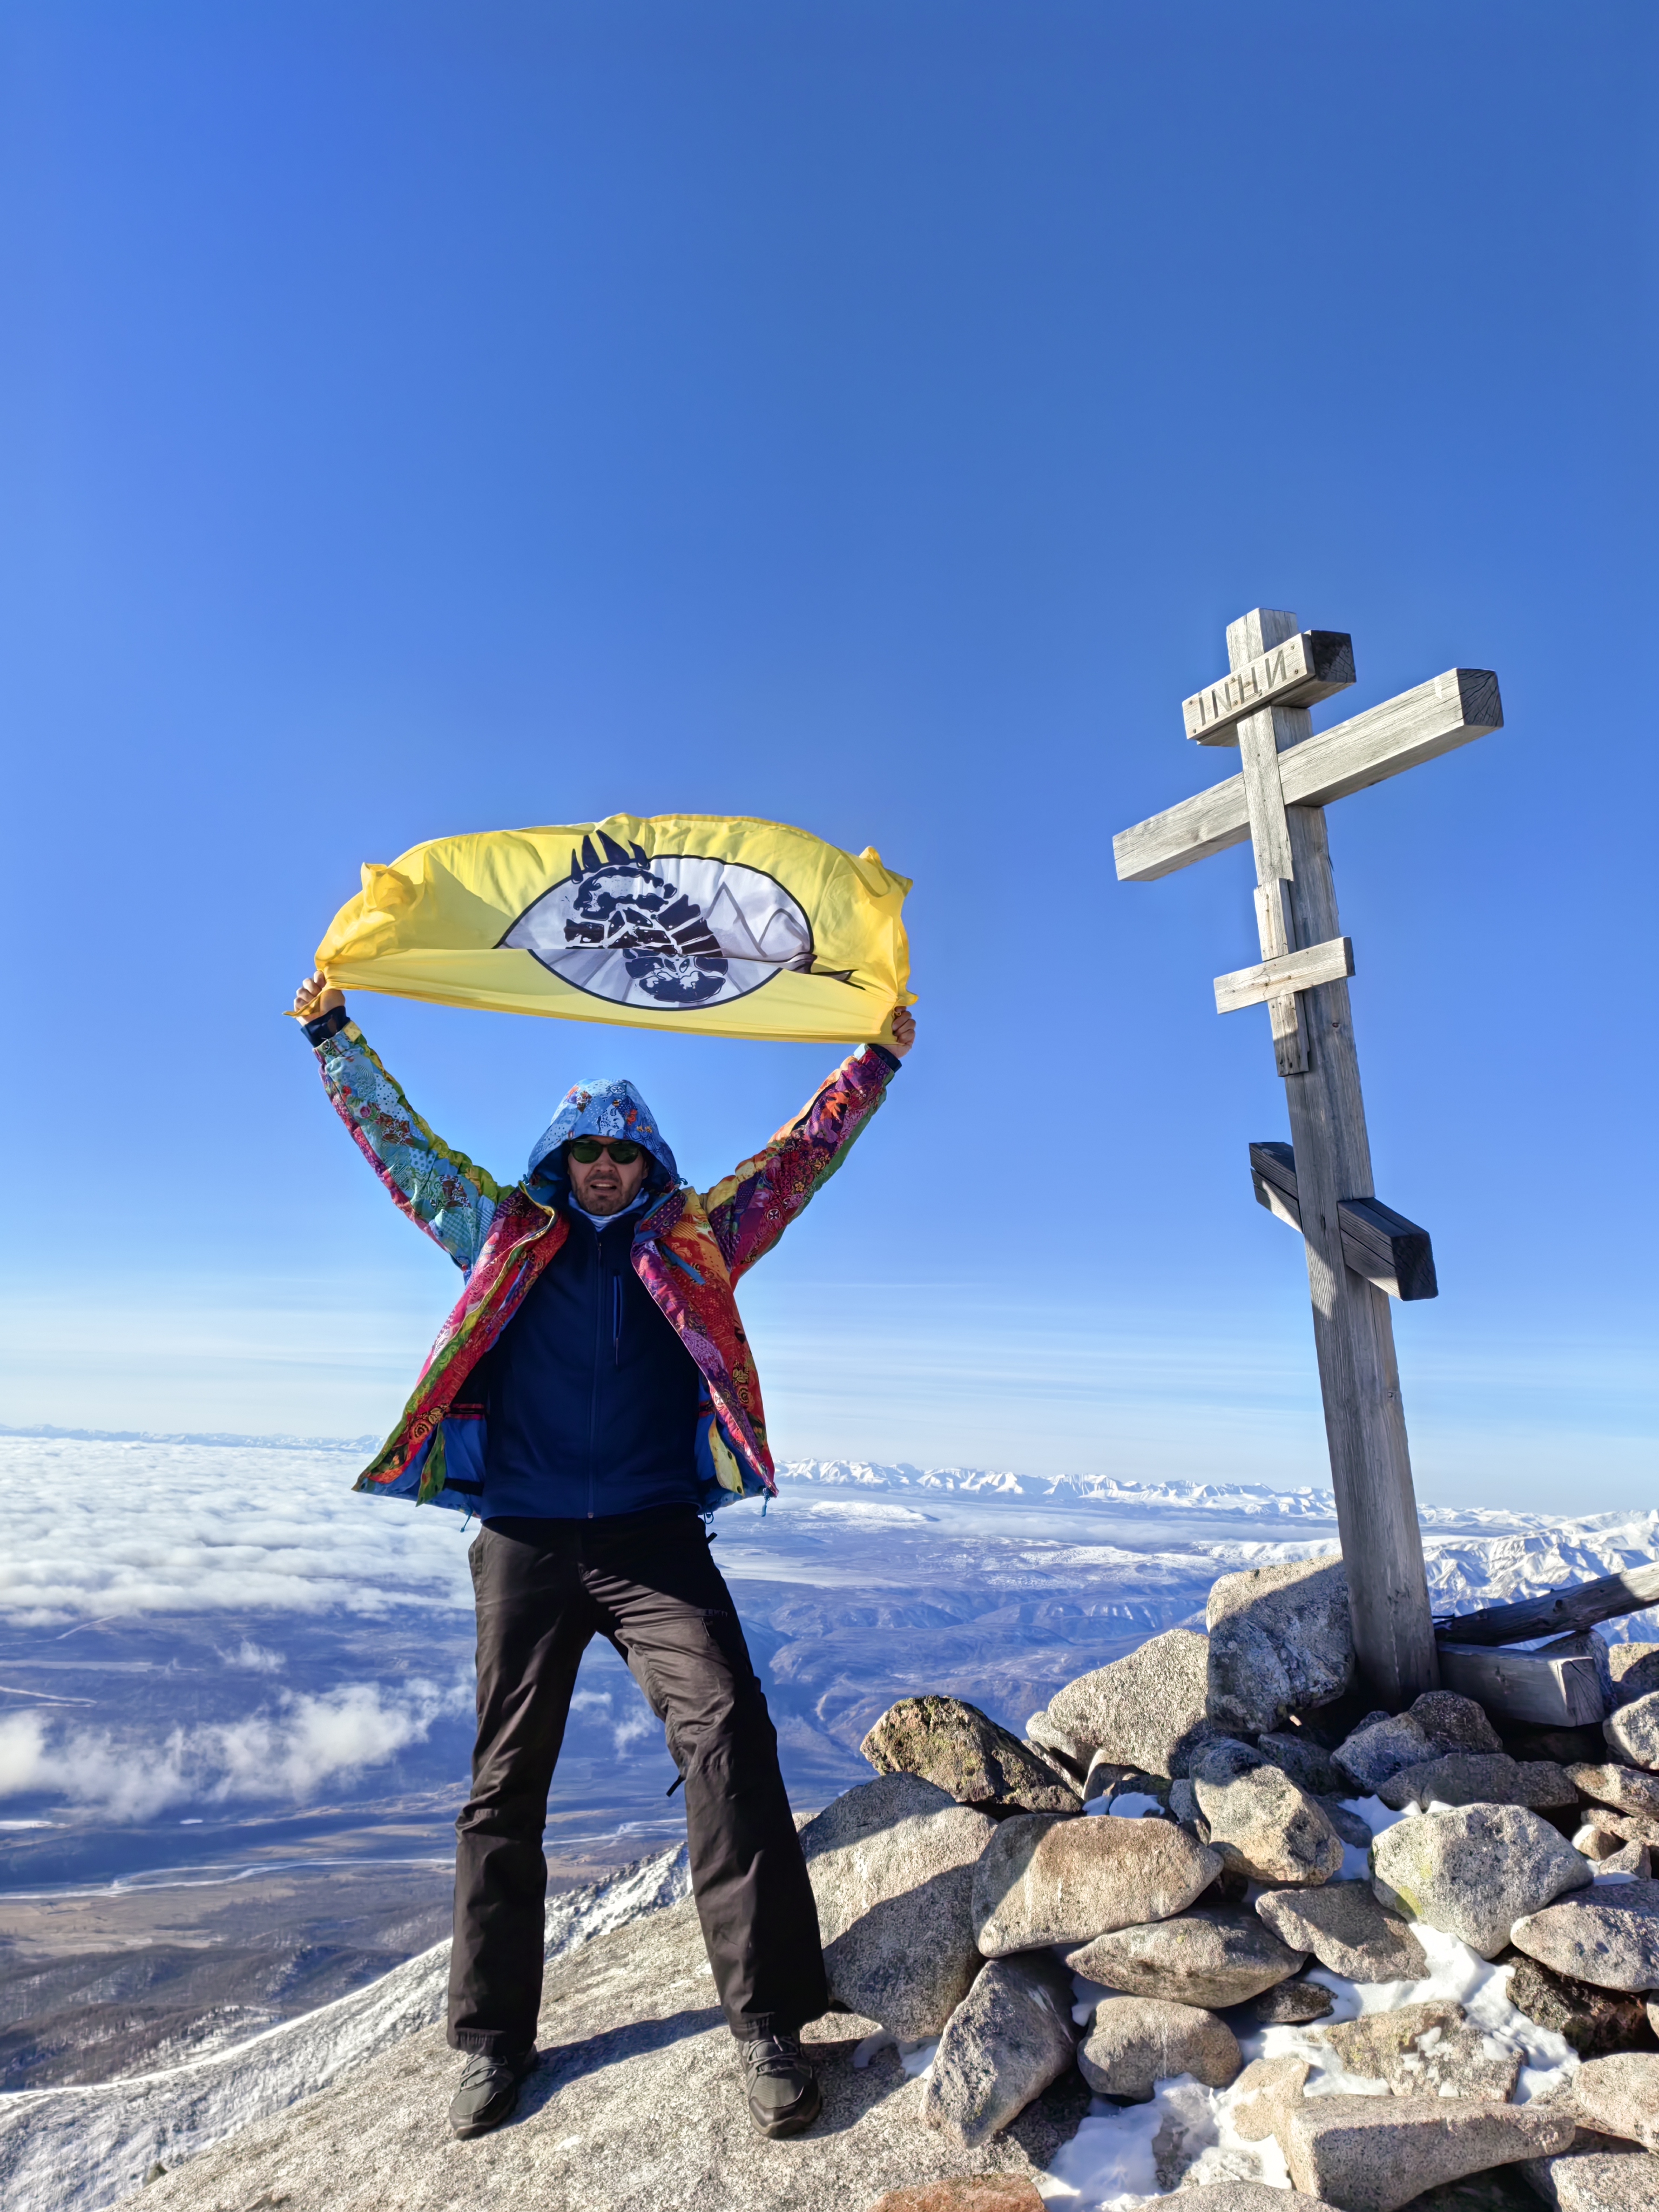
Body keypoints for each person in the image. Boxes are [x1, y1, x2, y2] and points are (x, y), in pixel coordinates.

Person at [291, 972, 914, 2142]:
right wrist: (333, 1034)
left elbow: (795, 1159)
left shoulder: (698, 1238)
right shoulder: (504, 1232)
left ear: (650, 1163)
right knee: (503, 1782)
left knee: (726, 1725)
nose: (603, 1167)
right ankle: (490, 2043)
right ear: (557, 1158)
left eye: (623, 1153)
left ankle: (771, 2020)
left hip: (650, 1536)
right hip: (524, 1536)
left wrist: (873, 1059)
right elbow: (403, 1146)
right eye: (584, 1150)